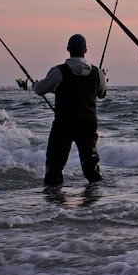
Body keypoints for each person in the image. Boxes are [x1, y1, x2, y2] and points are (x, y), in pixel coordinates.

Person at [33, 33, 107, 186]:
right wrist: (101, 78)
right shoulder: (97, 72)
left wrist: (35, 85)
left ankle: (54, 200)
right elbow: (102, 93)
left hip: (64, 124)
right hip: (88, 124)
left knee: (55, 165)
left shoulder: (58, 71)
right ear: (85, 50)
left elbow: (40, 90)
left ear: (68, 49)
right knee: (91, 166)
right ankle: (96, 201)